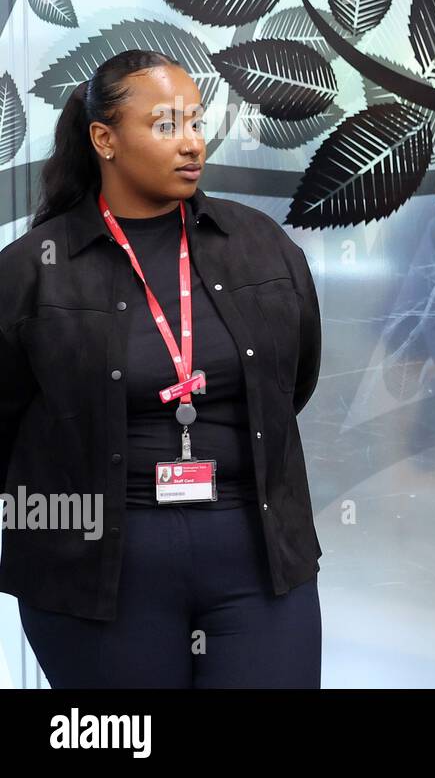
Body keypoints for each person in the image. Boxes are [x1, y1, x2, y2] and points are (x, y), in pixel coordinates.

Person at [0, 49, 324, 687]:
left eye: (197, 123)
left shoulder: (259, 245)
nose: (191, 144)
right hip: (98, 572)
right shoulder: (33, 269)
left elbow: (293, 384)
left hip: (256, 556)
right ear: (104, 139)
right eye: (166, 125)